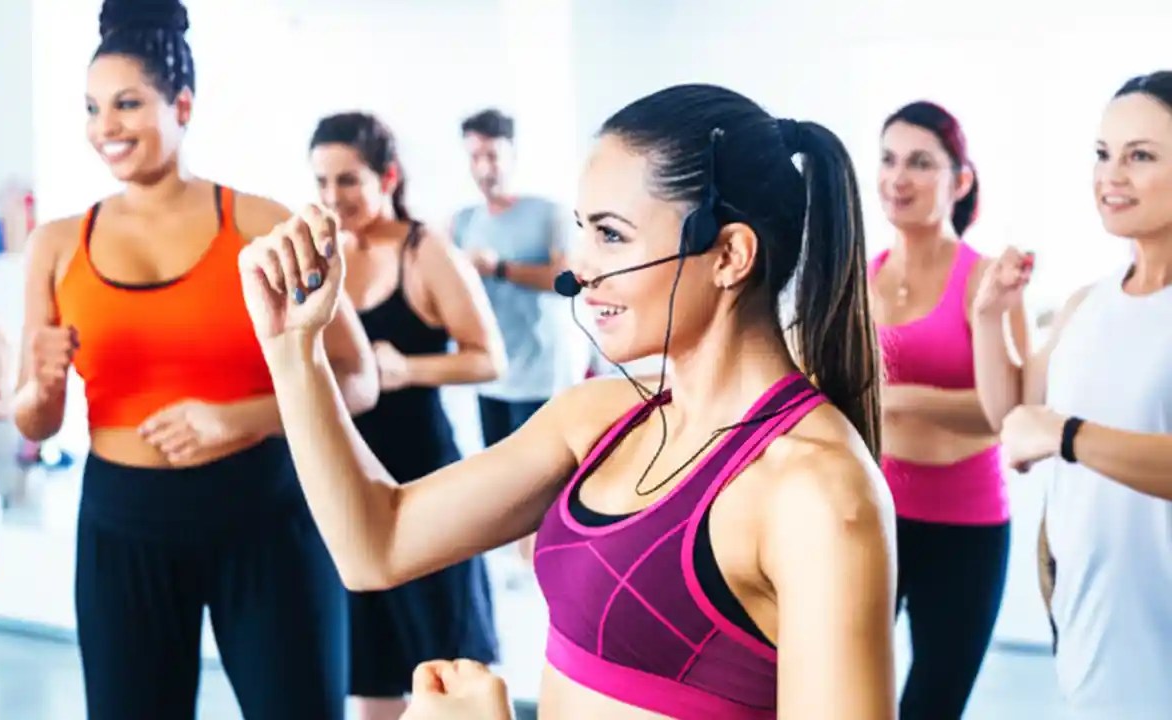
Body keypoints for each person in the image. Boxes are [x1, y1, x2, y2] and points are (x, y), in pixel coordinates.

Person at [242, 83, 897, 720]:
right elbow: (374, 546)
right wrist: (294, 348)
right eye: (583, 231)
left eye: (611, 235)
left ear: (728, 253)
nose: (577, 268)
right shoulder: (597, 419)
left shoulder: (816, 491)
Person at [12, 2, 378, 718]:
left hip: (266, 514)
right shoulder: (55, 245)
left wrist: (237, 417)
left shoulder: (263, 223)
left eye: (127, 104)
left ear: (182, 105)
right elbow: (38, 419)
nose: (104, 127)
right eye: (91, 109)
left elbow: (360, 379)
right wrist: (41, 382)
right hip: (123, 524)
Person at [974, 70, 1172, 719]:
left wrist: (1066, 435)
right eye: (1103, 153)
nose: (1111, 175)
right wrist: (991, 315)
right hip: (1090, 631)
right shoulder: (1088, 304)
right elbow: (1015, 420)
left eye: (1140, 155)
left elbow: (1048, 429)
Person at [308, 111, 505, 720]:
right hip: (353, 486)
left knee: (442, 676)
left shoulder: (428, 252)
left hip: (424, 485)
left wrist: (406, 368)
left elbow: (488, 359)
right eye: (320, 182)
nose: (332, 198)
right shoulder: (325, 256)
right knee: (369, 682)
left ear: (387, 176)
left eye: (348, 181)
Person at [870, 101, 1027, 719]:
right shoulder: (862, 276)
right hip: (875, 517)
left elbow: (1007, 413)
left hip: (967, 528)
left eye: (920, 163)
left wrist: (900, 400)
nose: (897, 178)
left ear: (960, 181)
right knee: (851, 694)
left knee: (933, 704)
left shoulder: (988, 281)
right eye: (887, 160)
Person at [452, 109, 584, 446]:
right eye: (475, 157)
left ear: (512, 155)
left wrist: (499, 268)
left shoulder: (549, 213)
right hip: (490, 378)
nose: (483, 168)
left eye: (492, 156)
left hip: (542, 378)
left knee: (546, 486)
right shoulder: (462, 221)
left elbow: (568, 282)